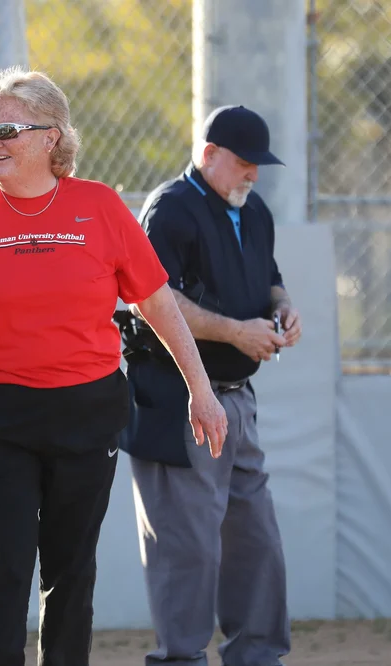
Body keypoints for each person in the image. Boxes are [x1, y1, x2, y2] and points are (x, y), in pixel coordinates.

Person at [0, 65, 228, 666]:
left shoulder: (100, 206)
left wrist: (202, 390)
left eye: (7, 130)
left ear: (50, 135)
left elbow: (157, 303)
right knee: (2, 562)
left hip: (86, 411)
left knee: (70, 570)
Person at [120, 105, 303, 666]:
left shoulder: (255, 209)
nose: (253, 174)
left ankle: (257, 656)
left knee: (257, 543)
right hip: (178, 399)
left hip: (237, 399)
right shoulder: (170, 208)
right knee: (187, 549)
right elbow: (157, 302)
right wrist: (235, 332)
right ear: (208, 155)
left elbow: (269, 276)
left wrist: (282, 308)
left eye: (258, 165)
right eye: (244, 162)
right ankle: (181, 661)